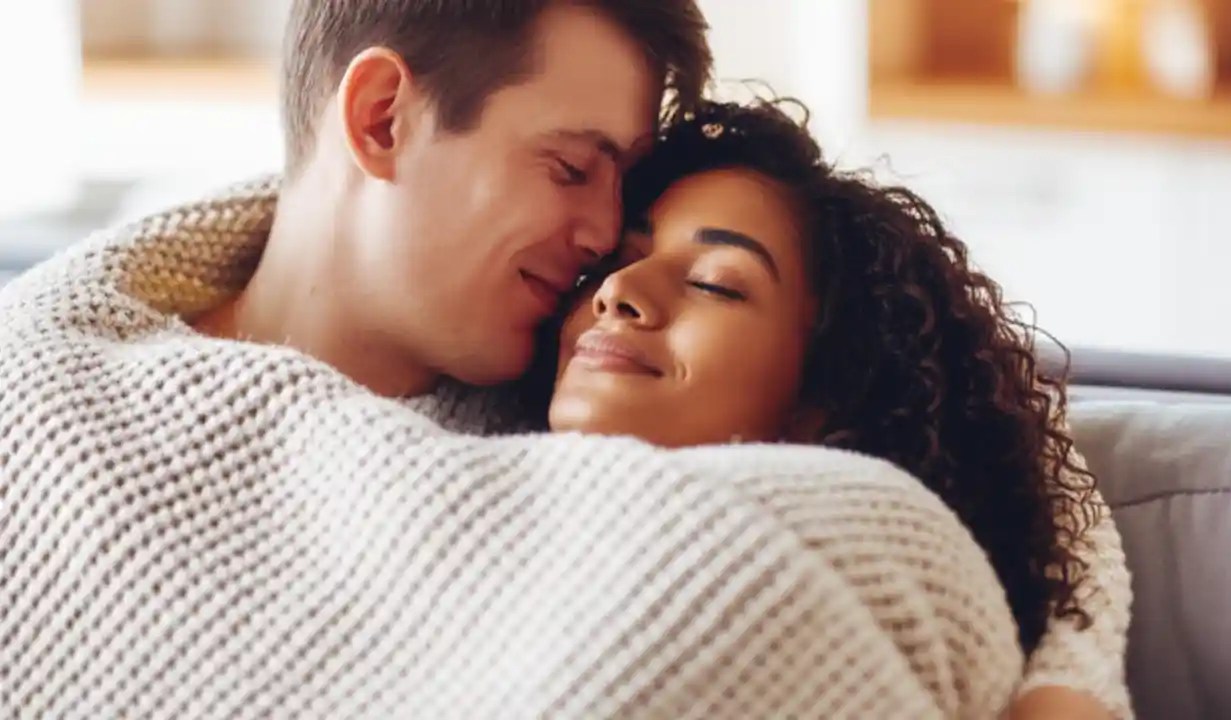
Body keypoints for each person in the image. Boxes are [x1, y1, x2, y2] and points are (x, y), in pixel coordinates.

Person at [0, 2, 1027, 718]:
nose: (596, 241)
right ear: (379, 118)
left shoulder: (565, 412)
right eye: (570, 168)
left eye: (616, 188)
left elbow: (964, 454)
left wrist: (1074, 674)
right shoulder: (47, 387)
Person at [504, 99, 1134, 720]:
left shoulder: (874, 549)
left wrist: (1069, 677)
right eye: (615, 262)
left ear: (826, 398)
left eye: (715, 283)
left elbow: (1048, 470)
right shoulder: (454, 442)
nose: (618, 291)